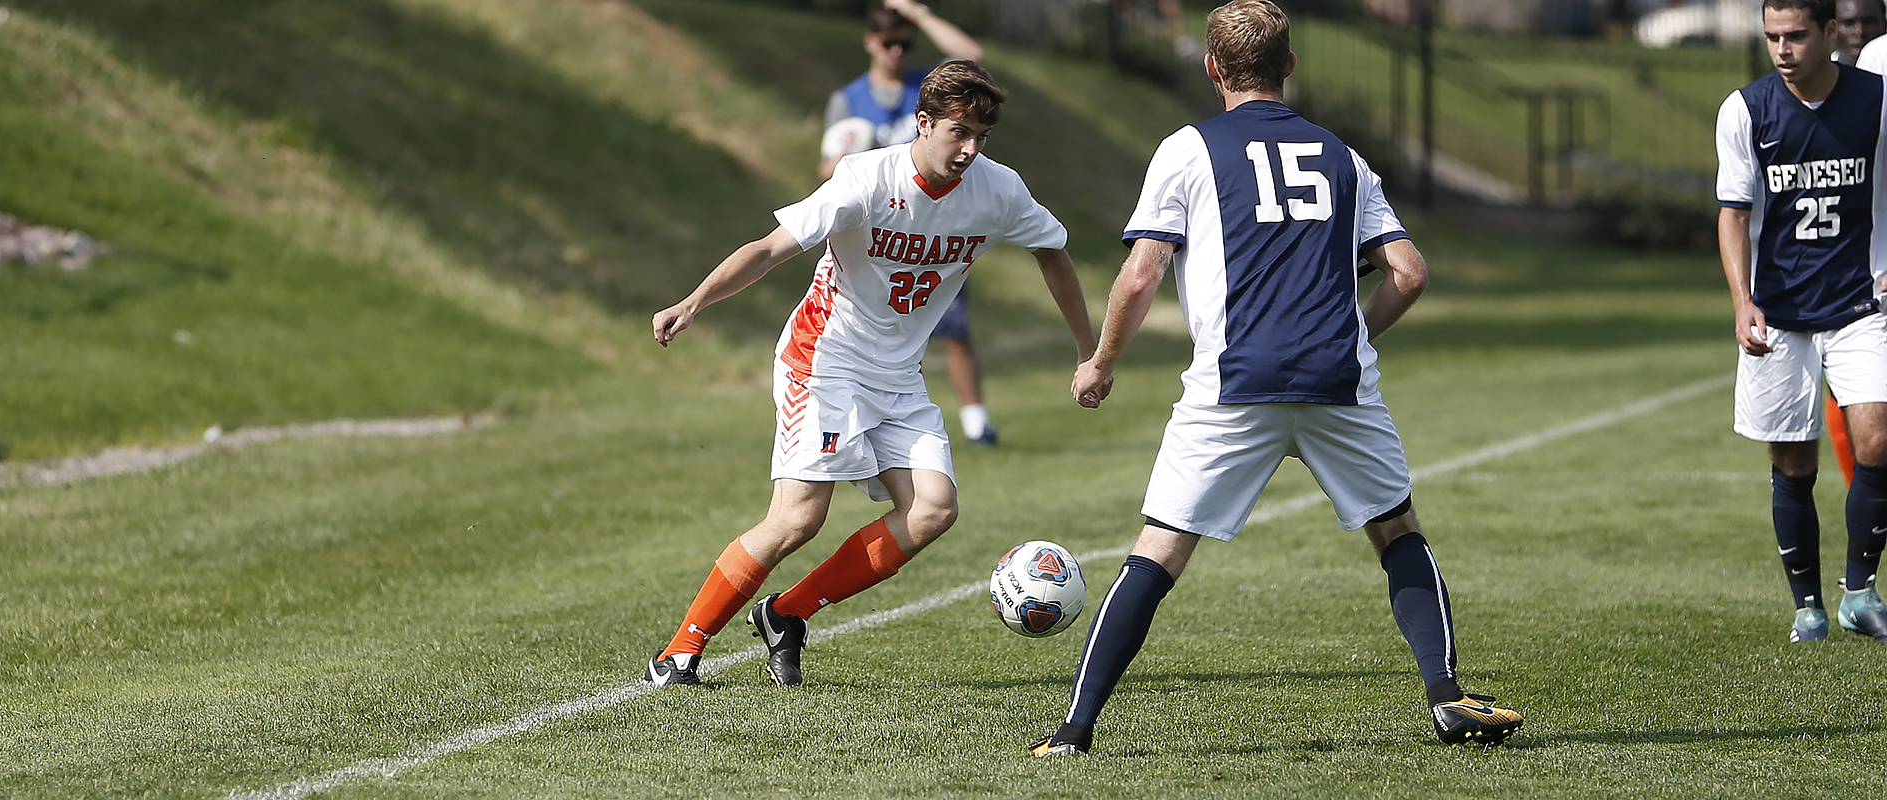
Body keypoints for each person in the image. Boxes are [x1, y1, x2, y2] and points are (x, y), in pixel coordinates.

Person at [1028, 0, 1523, 756]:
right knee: (1396, 531)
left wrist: (1099, 362)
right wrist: (1354, 332)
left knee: (1159, 550)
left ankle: (1073, 731)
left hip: (1236, 385)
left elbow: (1140, 274)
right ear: (1290, 66)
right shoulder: (1344, 157)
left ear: (1212, 68)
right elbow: (1410, 273)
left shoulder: (1188, 149)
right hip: (1337, 382)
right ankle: (1447, 696)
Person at [643, 60, 1098, 687]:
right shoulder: (866, 178)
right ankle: (678, 653)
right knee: (799, 518)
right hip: (823, 359)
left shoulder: (999, 190)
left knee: (934, 510)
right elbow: (771, 248)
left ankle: (788, 611)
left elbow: (1053, 254)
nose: (969, 150)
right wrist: (695, 301)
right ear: (923, 121)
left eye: (981, 138)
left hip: (897, 374)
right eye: (958, 132)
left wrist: (1089, 353)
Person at [1718, 0, 1887, 645]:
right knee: (1794, 463)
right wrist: (1742, 301)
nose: (1782, 50)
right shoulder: (1745, 110)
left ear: (1831, 33)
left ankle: (1860, 590)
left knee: (1876, 440)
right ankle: (1808, 607)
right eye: (1771, 38)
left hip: (1859, 303)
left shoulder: (1876, 101)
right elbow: (1732, 212)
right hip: (1781, 314)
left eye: (1795, 36)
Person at [821, 1, 1002, 446]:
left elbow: (971, 55)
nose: (897, 52)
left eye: (905, 43)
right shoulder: (849, 99)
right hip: (879, 232)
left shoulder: (929, 91)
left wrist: (917, 12)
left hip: (938, 223)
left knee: (954, 325)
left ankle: (975, 419)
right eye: (889, 43)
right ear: (870, 43)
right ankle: (860, 417)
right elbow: (828, 169)